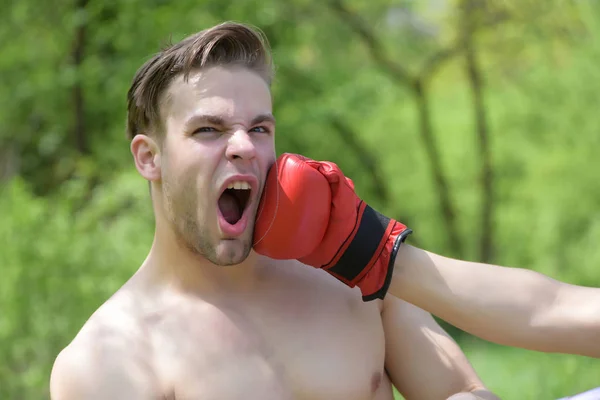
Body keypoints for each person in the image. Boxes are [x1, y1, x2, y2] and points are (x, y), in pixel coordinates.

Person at [49, 22, 501, 400]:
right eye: (209, 129)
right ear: (150, 158)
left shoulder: (352, 275)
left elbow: (461, 392)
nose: (244, 146)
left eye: (259, 128)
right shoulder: (108, 359)